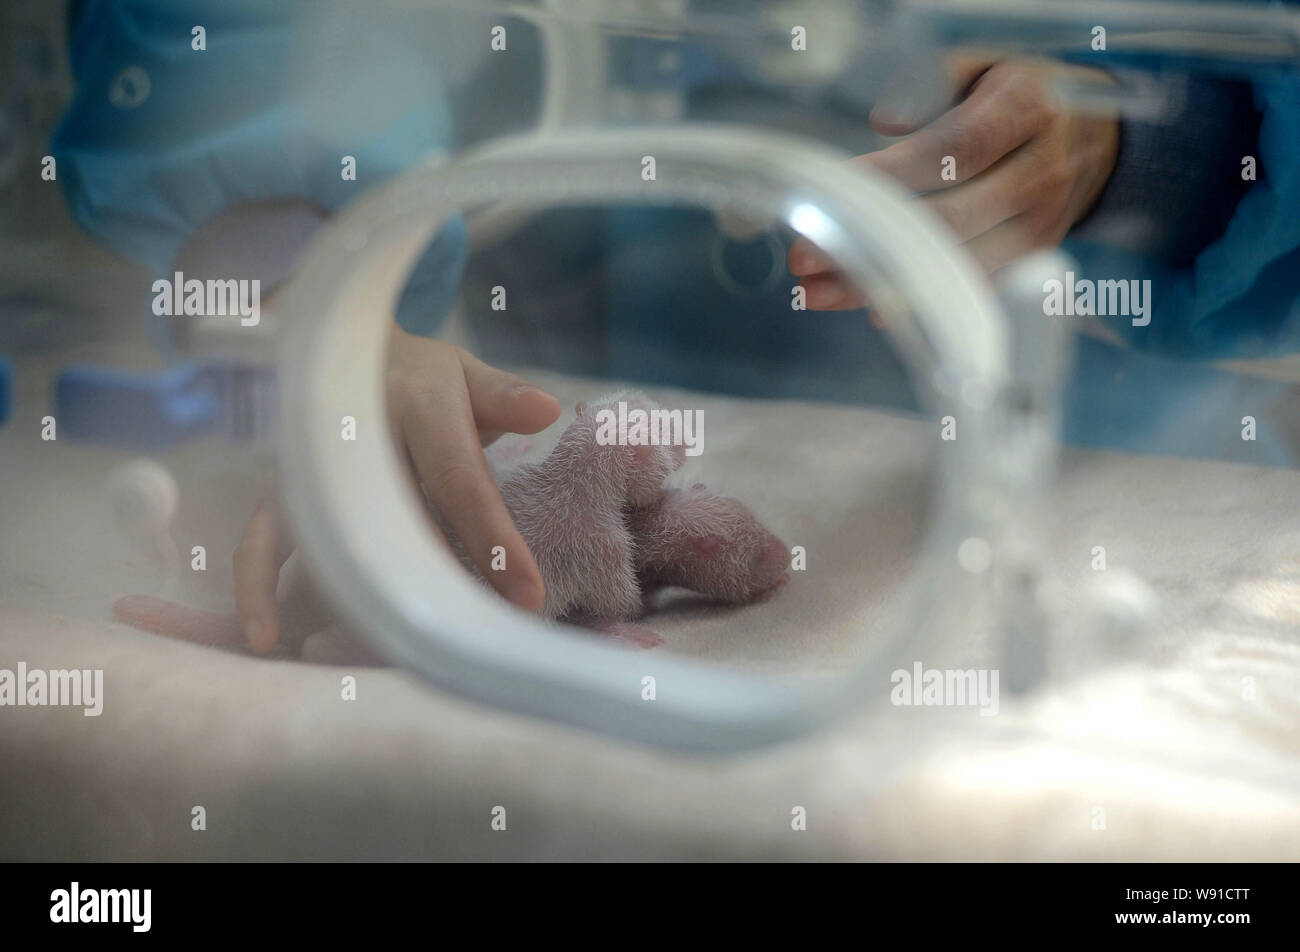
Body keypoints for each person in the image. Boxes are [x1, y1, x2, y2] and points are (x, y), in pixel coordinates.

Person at [51, 1, 1298, 654]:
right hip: (517, 353)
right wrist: (311, 308)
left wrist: (1149, 145)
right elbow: (223, 32)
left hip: (1104, 471)